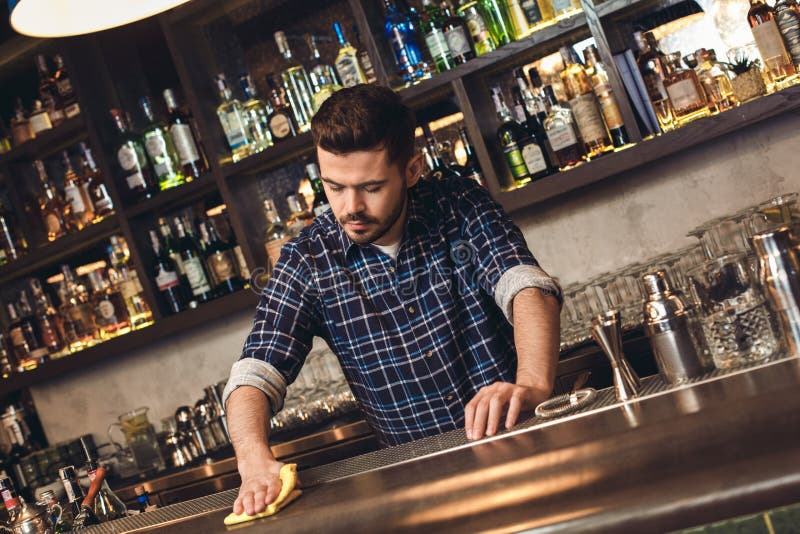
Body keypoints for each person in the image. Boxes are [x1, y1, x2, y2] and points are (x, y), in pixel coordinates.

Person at [223, 85, 561, 516]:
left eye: (371, 187)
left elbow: (526, 288)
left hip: (523, 445)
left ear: (412, 169)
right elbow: (255, 370)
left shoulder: (458, 205)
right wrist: (252, 459)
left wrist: (532, 385)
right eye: (334, 187)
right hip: (417, 488)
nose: (350, 207)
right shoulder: (309, 258)